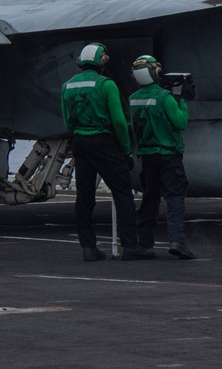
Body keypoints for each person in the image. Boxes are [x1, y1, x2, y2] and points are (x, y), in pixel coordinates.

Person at [61, 42, 153, 262]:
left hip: (81, 142)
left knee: (84, 197)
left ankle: (88, 247)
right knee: (122, 194)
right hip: (104, 143)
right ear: (103, 61)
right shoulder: (106, 84)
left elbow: (68, 122)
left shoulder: (67, 86)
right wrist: (125, 151)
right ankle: (130, 246)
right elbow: (119, 122)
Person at [128, 55, 195, 260]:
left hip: (147, 156)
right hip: (168, 154)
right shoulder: (165, 97)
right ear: (154, 72)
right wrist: (181, 101)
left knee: (150, 199)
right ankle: (177, 241)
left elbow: (136, 128)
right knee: (174, 198)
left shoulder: (133, 99)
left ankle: (145, 244)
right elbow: (181, 122)